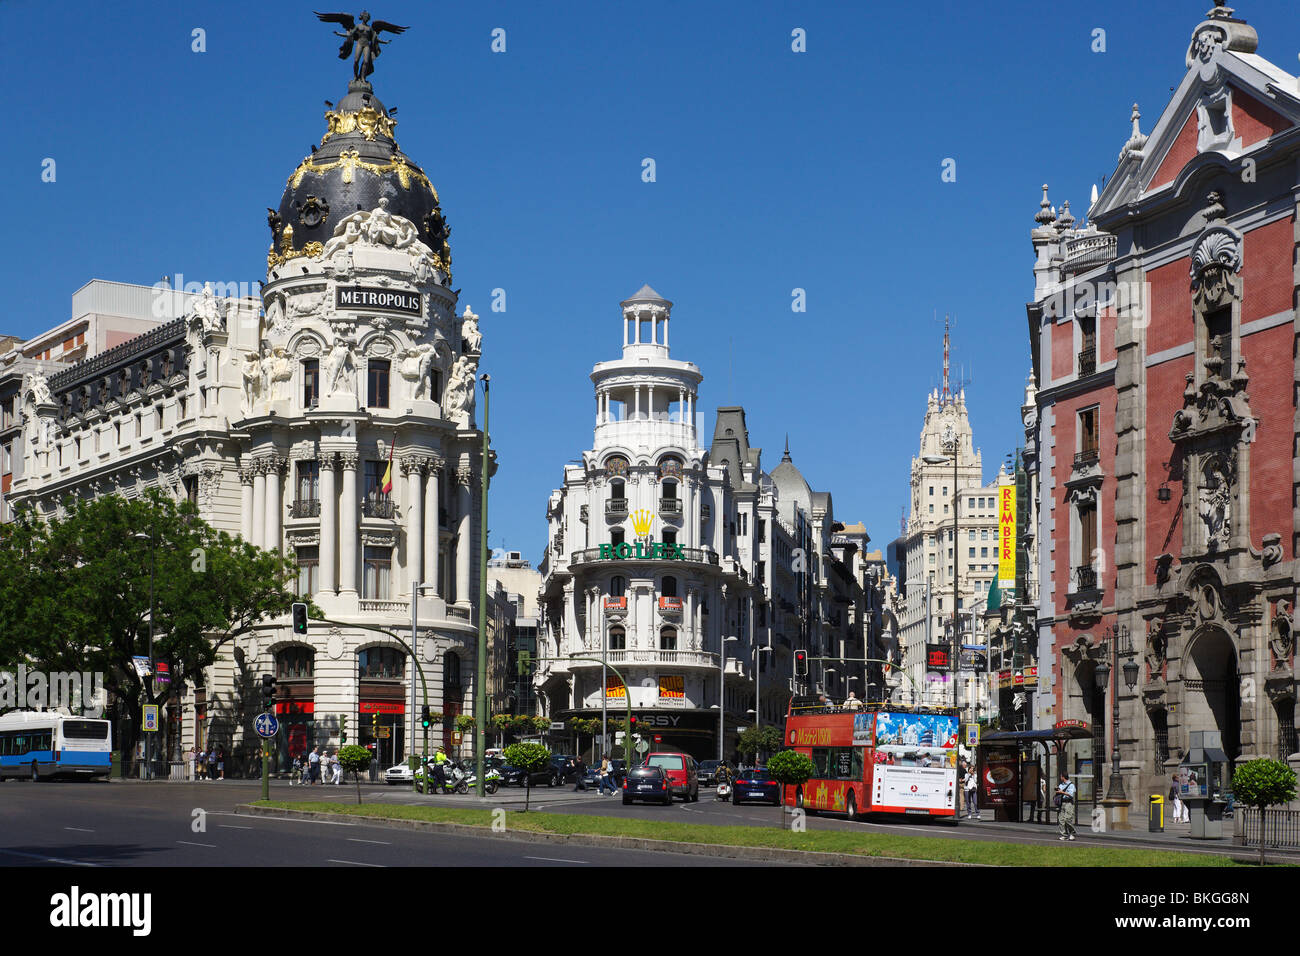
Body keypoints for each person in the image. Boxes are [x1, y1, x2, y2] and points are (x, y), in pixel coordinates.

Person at [1055, 773, 1077, 841]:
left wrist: (1062, 792)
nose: (1060, 777)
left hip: (1069, 803)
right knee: (1061, 820)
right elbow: (1059, 792)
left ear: (1063, 777)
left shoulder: (1071, 785)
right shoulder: (1061, 785)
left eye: (1061, 776)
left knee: (1068, 819)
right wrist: (1057, 790)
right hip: (1062, 803)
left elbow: (1071, 795)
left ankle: (1072, 834)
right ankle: (1064, 835)